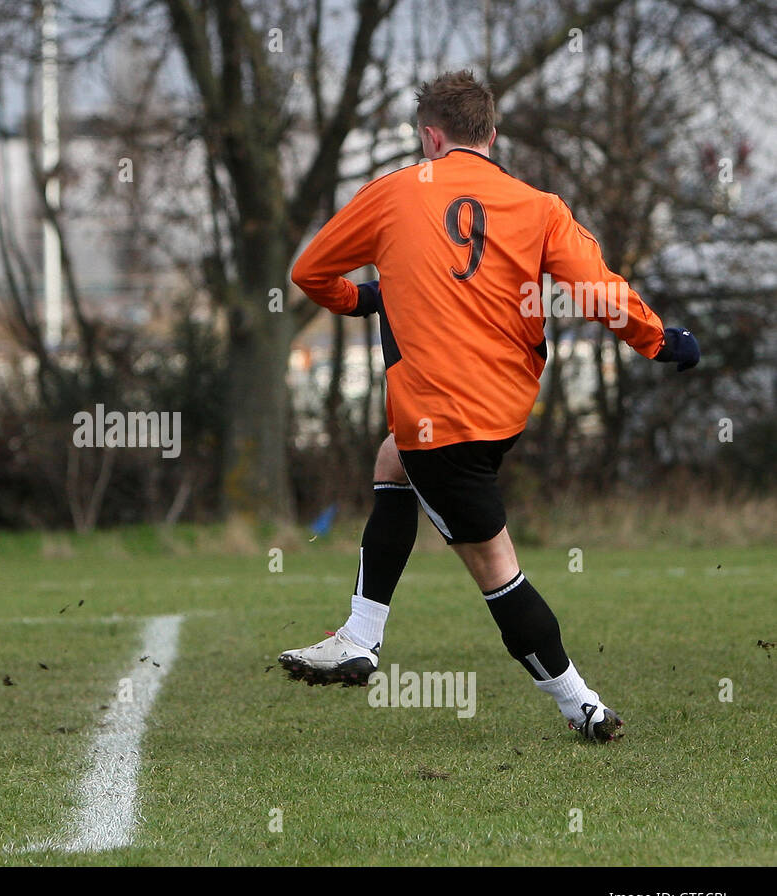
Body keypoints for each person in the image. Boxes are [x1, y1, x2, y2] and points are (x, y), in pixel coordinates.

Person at [279, 70, 699, 742]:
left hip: (442, 425)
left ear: (430, 135)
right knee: (393, 460)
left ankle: (580, 704)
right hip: (501, 412)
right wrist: (662, 342)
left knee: (496, 570)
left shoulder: (393, 194)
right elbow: (600, 292)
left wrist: (361, 300)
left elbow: (309, 272)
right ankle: (360, 633)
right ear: (492, 135)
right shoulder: (537, 205)